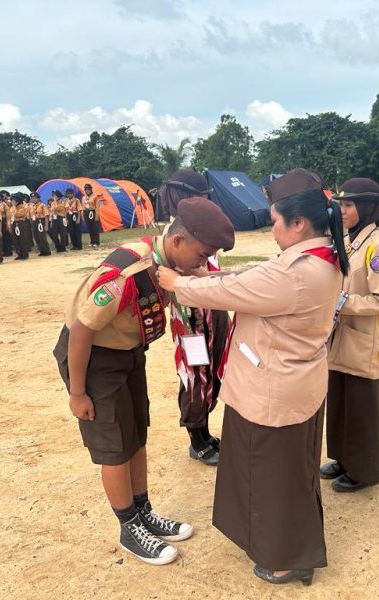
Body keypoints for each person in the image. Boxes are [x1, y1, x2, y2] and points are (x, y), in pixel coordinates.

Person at [157, 168, 348, 586]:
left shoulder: (297, 273)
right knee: (283, 473)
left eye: (275, 221)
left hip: (274, 391)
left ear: (299, 223)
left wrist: (177, 282)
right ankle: (281, 547)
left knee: (274, 478)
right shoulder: (321, 258)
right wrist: (205, 276)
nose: (272, 229)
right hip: (290, 385)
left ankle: (287, 558)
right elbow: (248, 280)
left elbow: (235, 292)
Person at [52, 197, 235, 566]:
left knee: (136, 436)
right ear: (178, 241)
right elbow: (82, 331)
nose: (204, 262)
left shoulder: (171, 261)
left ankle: (143, 511)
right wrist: (78, 392)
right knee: (115, 447)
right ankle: (128, 526)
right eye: (202, 254)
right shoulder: (128, 273)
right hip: (96, 360)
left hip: (129, 354)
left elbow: (207, 281)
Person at [321, 178, 379, 492]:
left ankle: (364, 470)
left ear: (366, 208)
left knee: (361, 407)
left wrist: (342, 302)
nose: (342, 210)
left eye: (349, 205)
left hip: (363, 341)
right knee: (340, 402)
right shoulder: (352, 241)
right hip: (342, 338)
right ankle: (344, 457)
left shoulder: (377, 250)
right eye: (341, 204)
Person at [158, 169, 230, 466]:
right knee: (195, 375)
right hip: (191, 319)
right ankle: (196, 439)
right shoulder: (176, 234)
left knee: (212, 371)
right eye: (199, 196)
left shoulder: (204, 225)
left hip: (212, 309)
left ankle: (205, 432)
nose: (204, 201)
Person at [11, 193, 31, 260]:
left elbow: (18, 214)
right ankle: (19, 254)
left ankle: (24, 254)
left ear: (17, 201)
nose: (12, 201)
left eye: (13, 200)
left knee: (22, 239)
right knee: (16, 239)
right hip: (14, 223)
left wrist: (13, 213)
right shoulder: (13, 208)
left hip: (21, 223)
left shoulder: (23, 207)